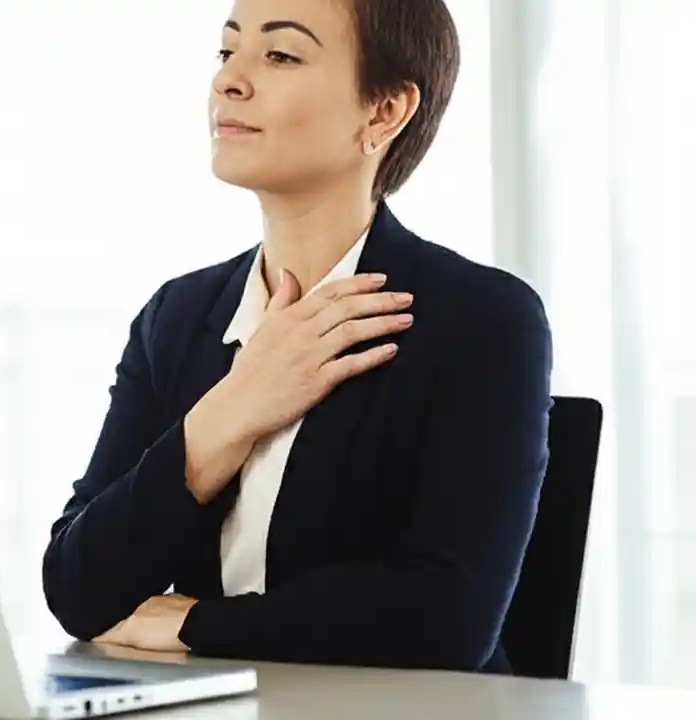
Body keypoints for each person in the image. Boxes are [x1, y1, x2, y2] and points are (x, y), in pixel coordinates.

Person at [41, 0, 552, 673]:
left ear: (384, 112)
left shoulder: (483, 320)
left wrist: (198, 623)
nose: (230, 81)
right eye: (228, 52)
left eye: (279, 55)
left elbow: (443, 622)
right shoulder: (177, 316)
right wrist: (232, 411)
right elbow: (78, 589)